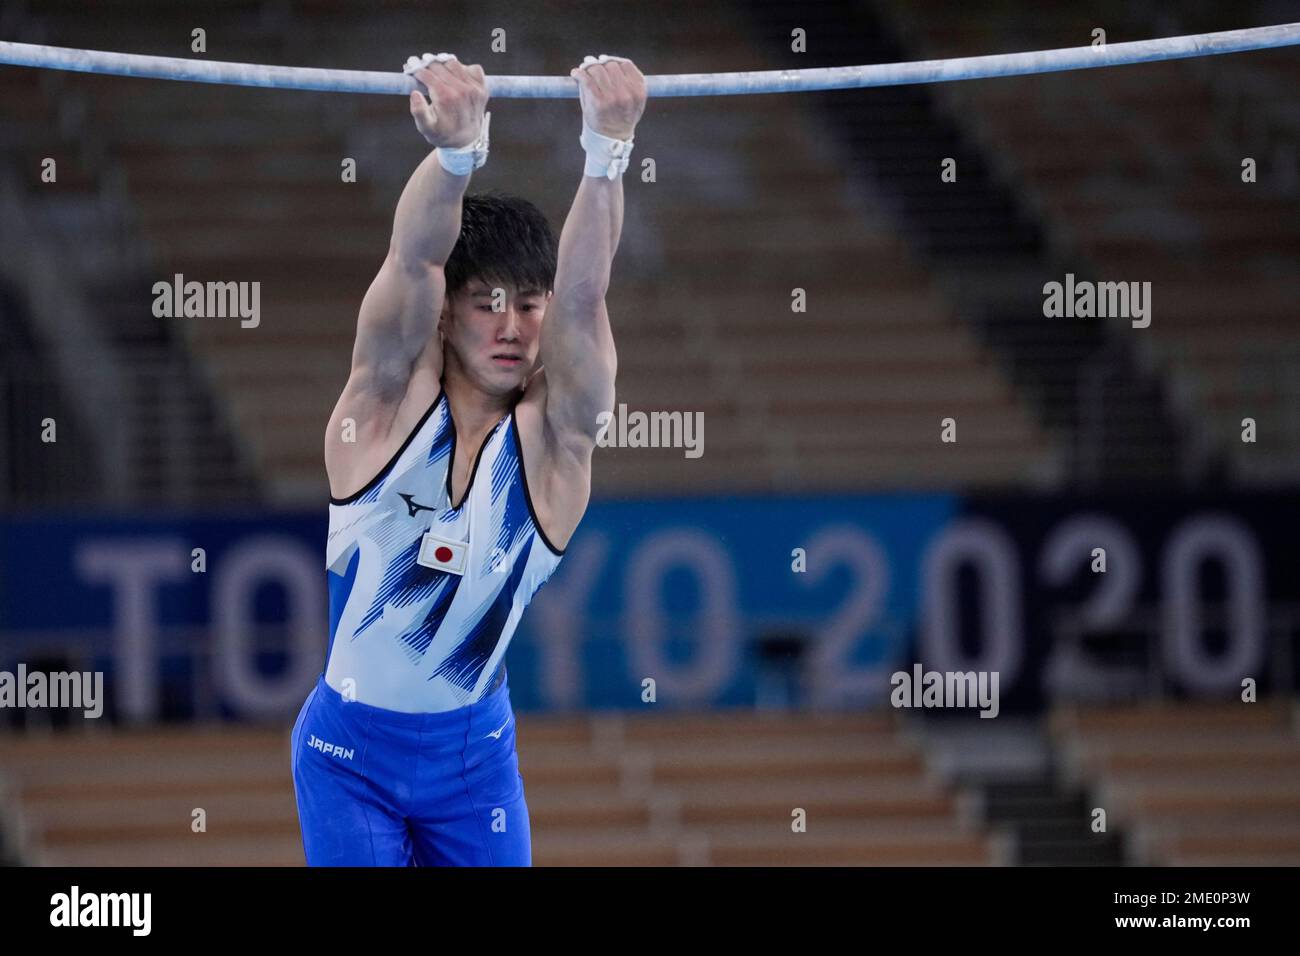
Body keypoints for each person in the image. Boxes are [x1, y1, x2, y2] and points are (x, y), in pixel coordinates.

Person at [290, 51, 646, 866]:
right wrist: (454, 154)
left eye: (527, 305)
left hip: (473, 764)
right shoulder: (383, 409)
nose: (512, 326)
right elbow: (411, 260)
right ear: (446, 315)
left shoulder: (557, 447)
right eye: (487, 304)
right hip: (349, 760)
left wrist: (607, 150)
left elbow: (586, 299)